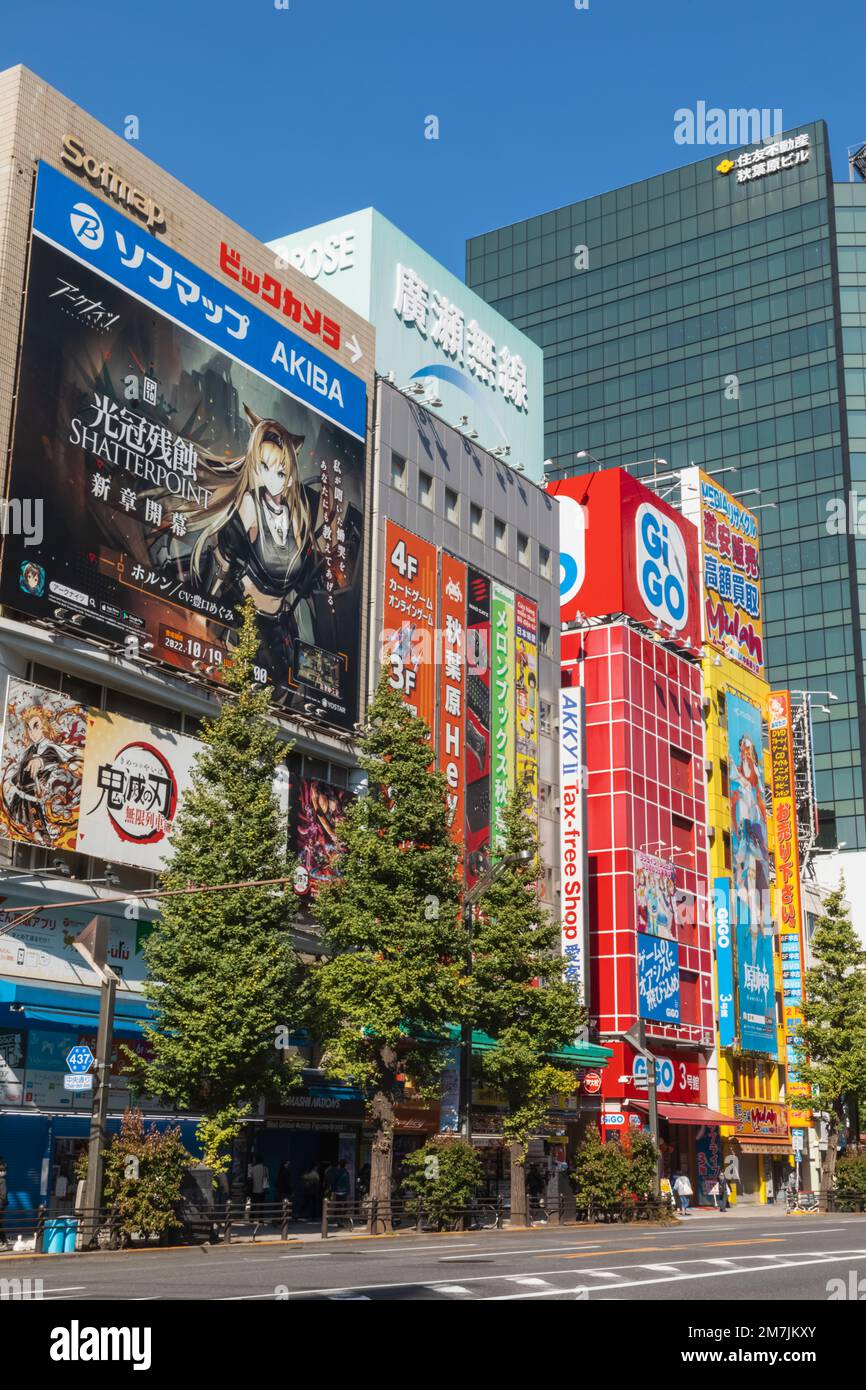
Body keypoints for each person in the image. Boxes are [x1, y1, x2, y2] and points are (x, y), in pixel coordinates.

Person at [247, 1155, 268, 1223]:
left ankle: (252, 1218)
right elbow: (266, 1178)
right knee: (261, 1205)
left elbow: (250, 1178)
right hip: (262, 1189)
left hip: (254, 1189)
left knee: (253, 1204)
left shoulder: (253, 1168)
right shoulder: (265, 1168)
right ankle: (260, 1218)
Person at [0, 1156, 9, 1250]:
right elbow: (4, 1194)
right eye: (3, 1170)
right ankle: (4, 1242)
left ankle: (4, 1242)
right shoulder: (2, 1181)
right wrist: (4, 1203)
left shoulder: (2, 1180)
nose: (4, 1172)